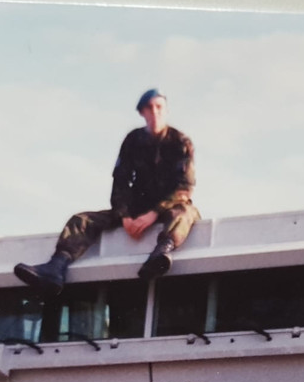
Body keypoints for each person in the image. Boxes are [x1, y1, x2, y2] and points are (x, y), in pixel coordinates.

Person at [14, 89, 200, 296]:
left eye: (159, 107)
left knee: (185, 213)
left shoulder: (180, 142)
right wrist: (125, 215)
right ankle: (56, 268)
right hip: (136, 207)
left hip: (167, 207)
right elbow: (120, 181)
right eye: (149, 108)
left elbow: (184, 187)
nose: (154, 112)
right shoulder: (133, 140)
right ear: (142, 112)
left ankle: (161, 254)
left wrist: (154, 213)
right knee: (81, 220)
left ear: (166, 111)